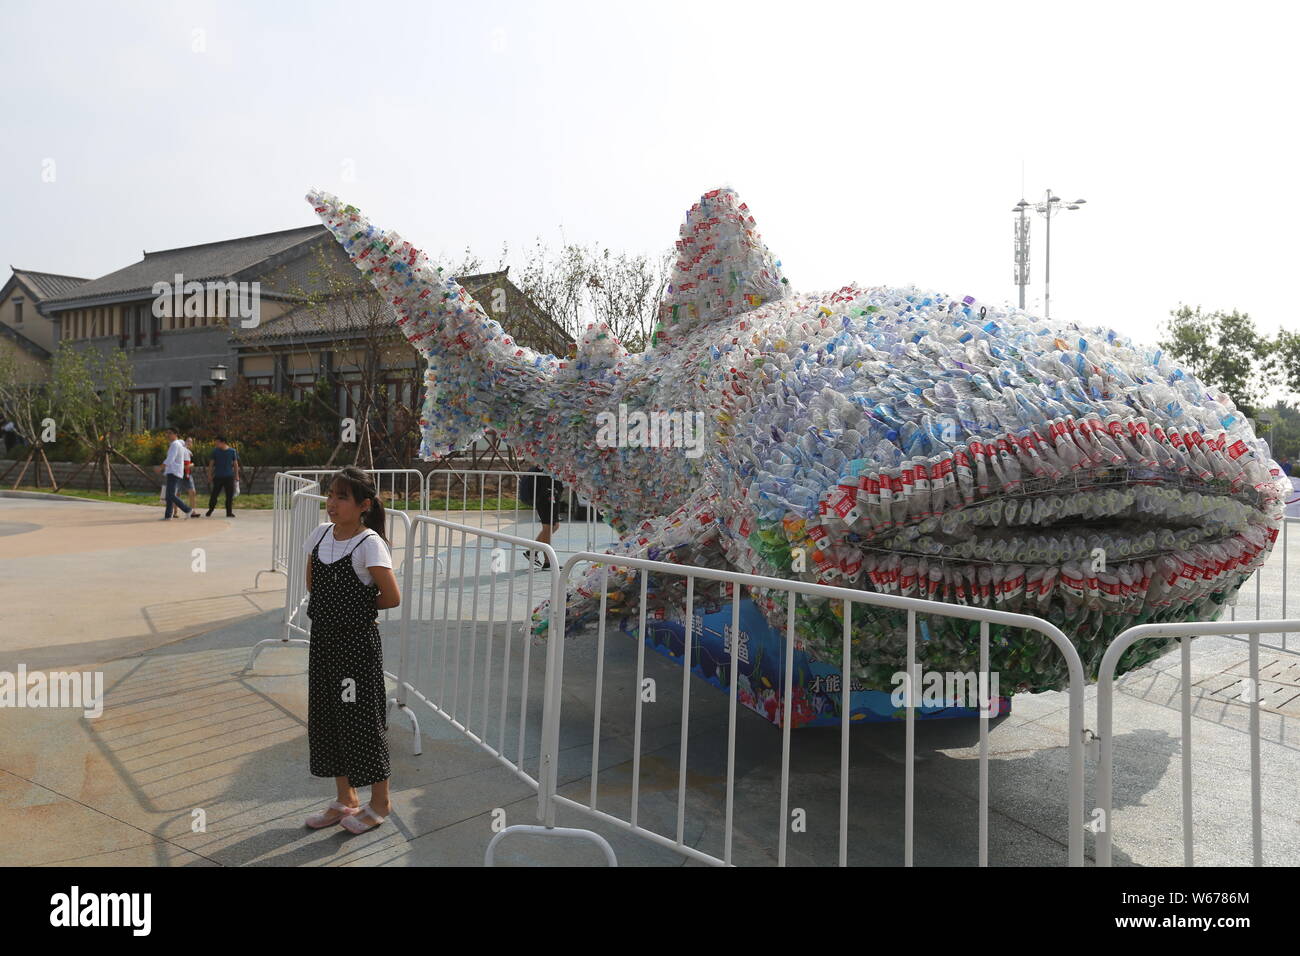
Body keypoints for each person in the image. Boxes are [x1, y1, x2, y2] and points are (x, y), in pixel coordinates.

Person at [301, 466, 400, 833]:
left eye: (342, 497)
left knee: (361, 721)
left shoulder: (369, 543)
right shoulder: (319, 535)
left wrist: (353, 609)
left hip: (356, 646)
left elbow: (391, 596)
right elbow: (313, 584)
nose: (332, 504)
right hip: (324, 641)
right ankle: (345, 799)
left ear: (364, 505)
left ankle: (380, 802)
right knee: (327, 719)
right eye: (330, 496)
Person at [519, 464, 561, 569]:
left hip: (550, 493)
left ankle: (532, 551)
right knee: (548, 527)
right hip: (546, 495)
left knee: (555, 525)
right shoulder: (547, 461)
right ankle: (548, 562)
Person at [157, 428, 197, 520]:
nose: (168, 435)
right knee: (169, 495)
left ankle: (188, 510)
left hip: (173, 472)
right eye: (167, 433)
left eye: (170, 433)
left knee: (171, 495)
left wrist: (161, 467)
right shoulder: (176, 444)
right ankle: (168, 515)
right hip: (173, 472)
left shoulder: (175, 444)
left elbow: (170, 459)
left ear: (175, 434)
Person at [205, 436, 241, 517]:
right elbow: (211, 464)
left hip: (229, 477)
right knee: (214, 494)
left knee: (229, 496)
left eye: (217, 442)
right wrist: (209, 475)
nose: (216, 444)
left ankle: (229, 512)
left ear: (223, 442)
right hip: (218, 476)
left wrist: (237, 475)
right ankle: (211, 509)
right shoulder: (215, 451)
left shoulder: (232, 451)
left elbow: (235, 464)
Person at [181, 438, 197, 513]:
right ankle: (174, 512)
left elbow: (193, 463)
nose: (189, 443)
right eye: (187, 441)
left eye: (191, 442)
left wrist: (190, 465)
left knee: (193, 492)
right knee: (176, 493)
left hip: (188, 473)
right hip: (180, 473)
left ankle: (193, 511)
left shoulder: (189, 452)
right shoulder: (181, 449)